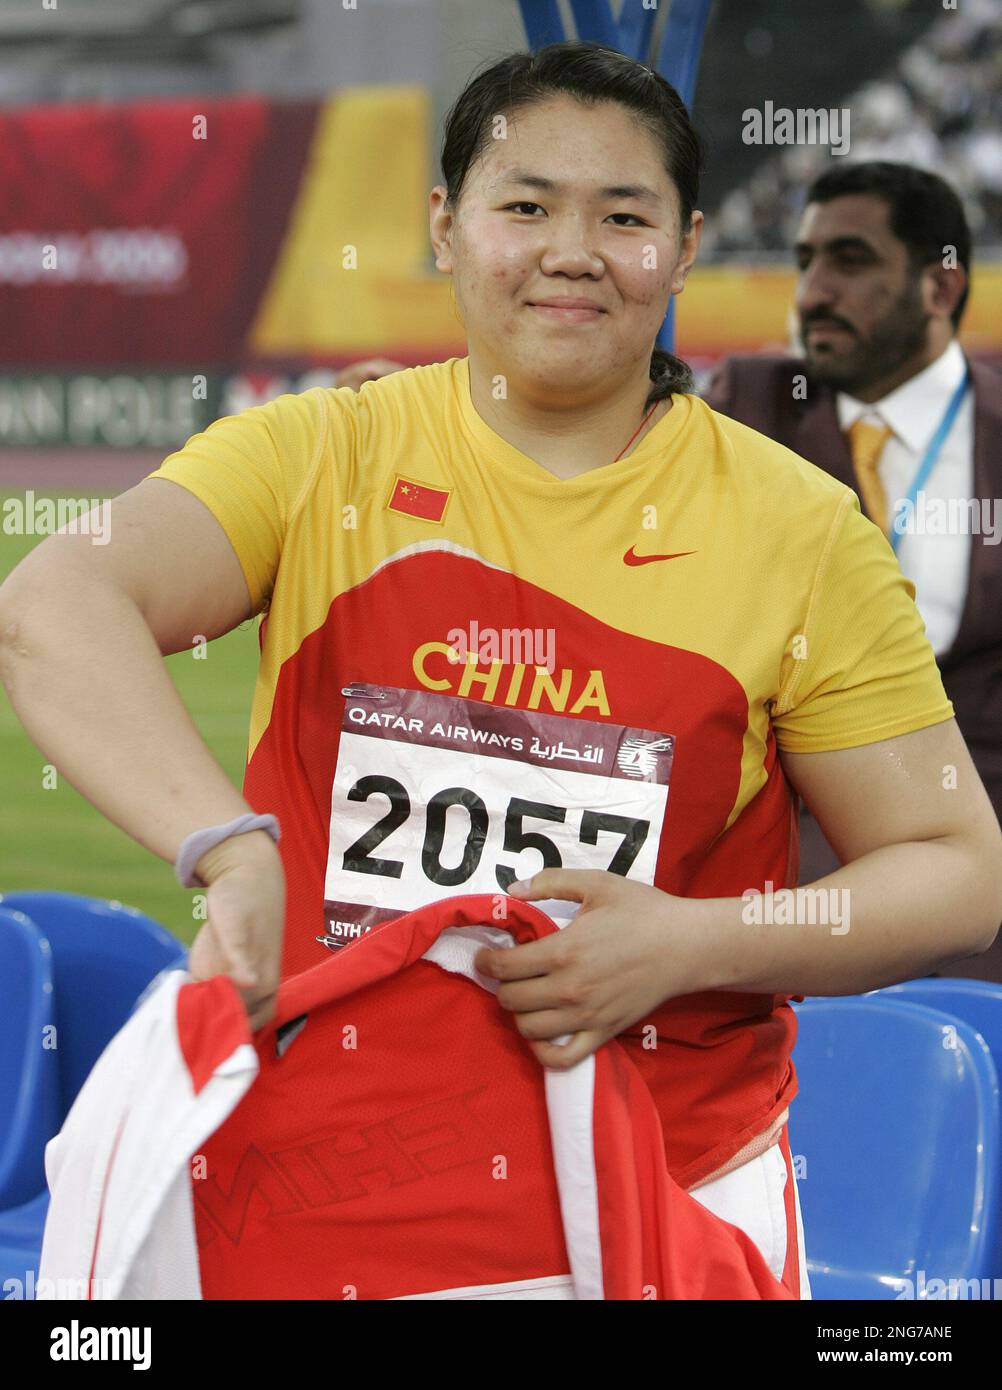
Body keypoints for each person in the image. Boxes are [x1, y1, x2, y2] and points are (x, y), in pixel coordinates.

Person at [2, 44, 1000, 1300]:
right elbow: (57, 600)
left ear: (687, 247)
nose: (570, 250)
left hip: (668, 1191)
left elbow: (958, 872)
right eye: (524, 206)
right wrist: (228, 844)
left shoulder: (803, 535)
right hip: (330, 1175)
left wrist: (691, 943)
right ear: (445, 226)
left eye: (622, 216)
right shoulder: (323, 452)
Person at [704, 162, 1002, 981]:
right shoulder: (748, 406)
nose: (813, 291)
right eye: (805, 263)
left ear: (940, 286)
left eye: (851, 260)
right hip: (784, 911)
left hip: (985, 910)